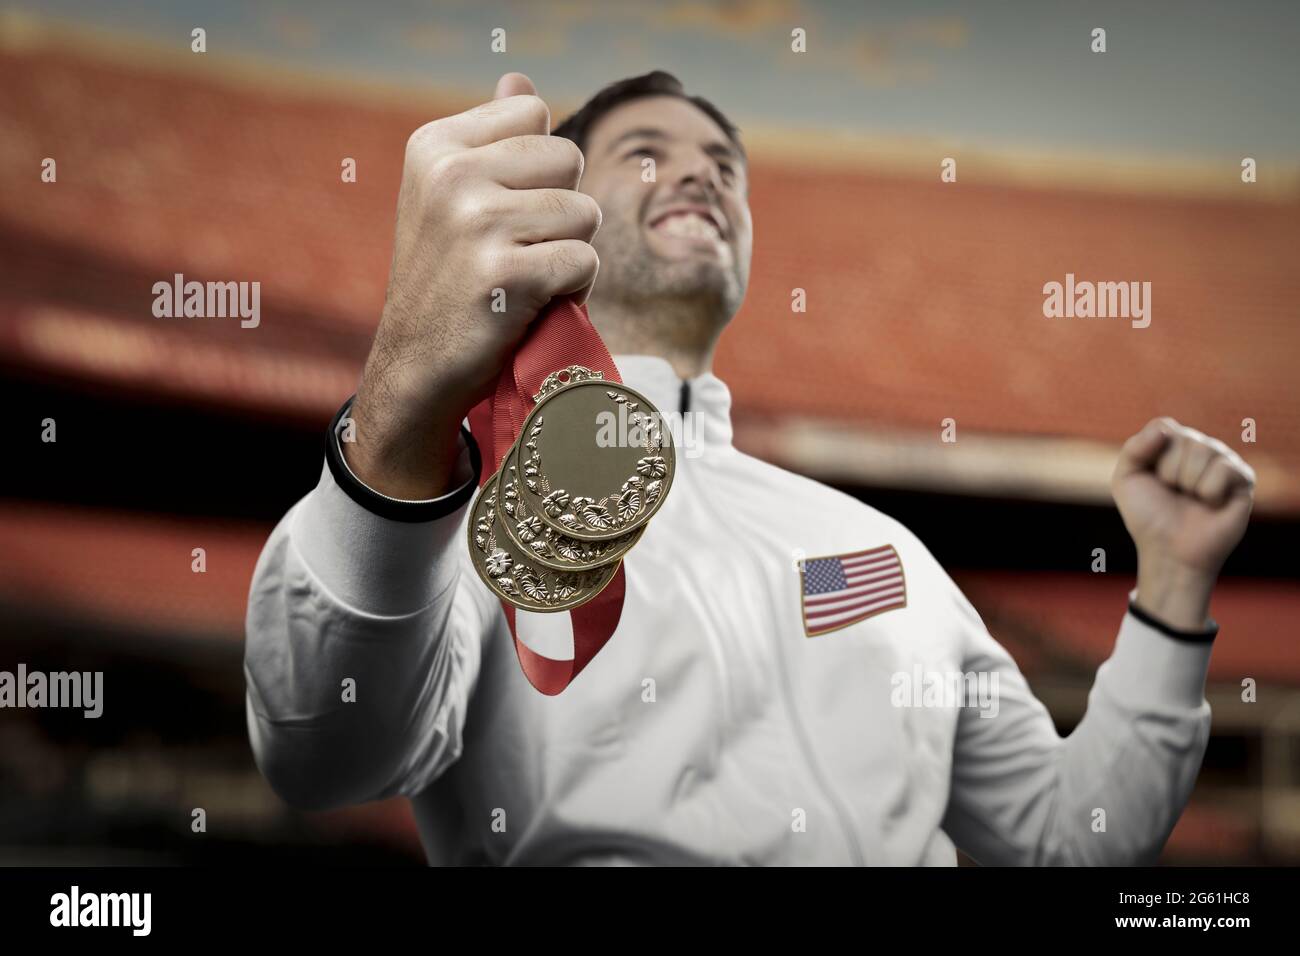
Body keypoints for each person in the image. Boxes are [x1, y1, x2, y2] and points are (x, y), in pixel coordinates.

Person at [243, 71, 1256, 865]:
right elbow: (325, 754)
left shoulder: (882, 550)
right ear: (557, 208)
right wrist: (396, 413)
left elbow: (1071, 836)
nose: (703, 175)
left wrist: (1170, 585)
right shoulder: (455, 512)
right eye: (645, 151)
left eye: (726, 164)